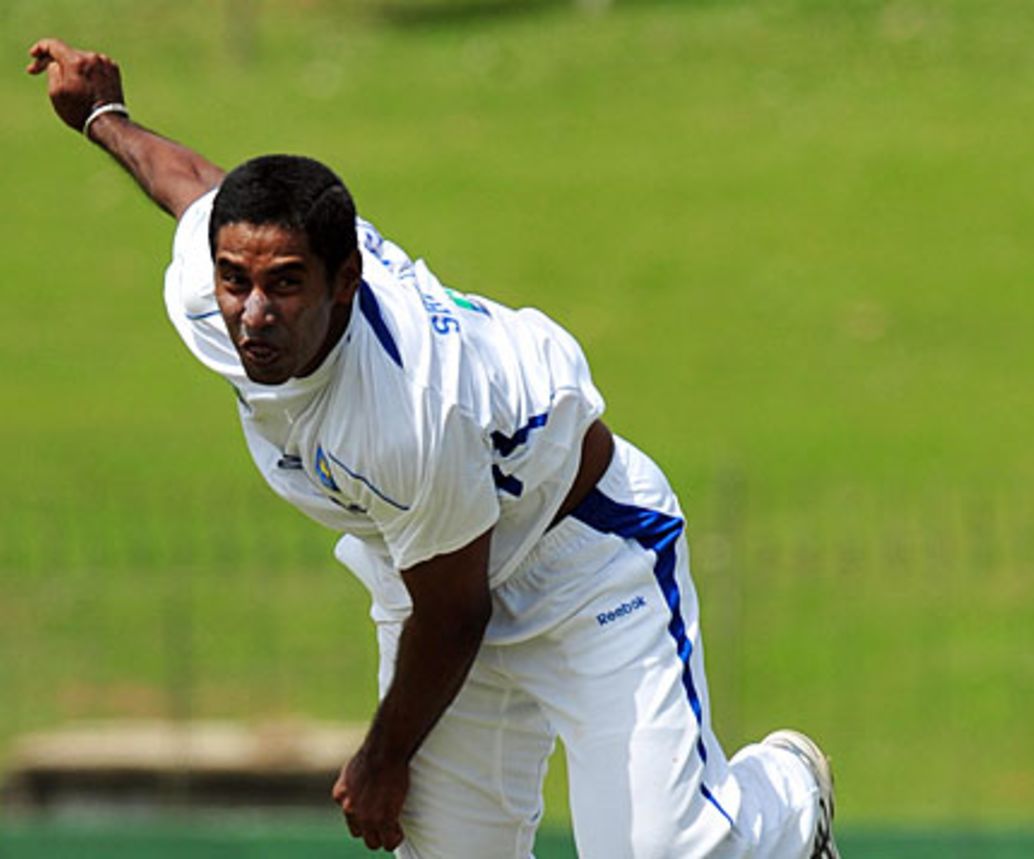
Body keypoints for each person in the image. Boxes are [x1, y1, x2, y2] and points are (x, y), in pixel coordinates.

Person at [28, 37, 840, 859]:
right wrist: (104, 117)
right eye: (236, 278)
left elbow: (457, 612)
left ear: (345, 279)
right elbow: (194, 188)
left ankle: (789, 800)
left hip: (581, 560)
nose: (254, 312)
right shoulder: (211, 297)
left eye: (285, 283)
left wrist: (383, 755)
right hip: (434, 575)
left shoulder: (411, 406)